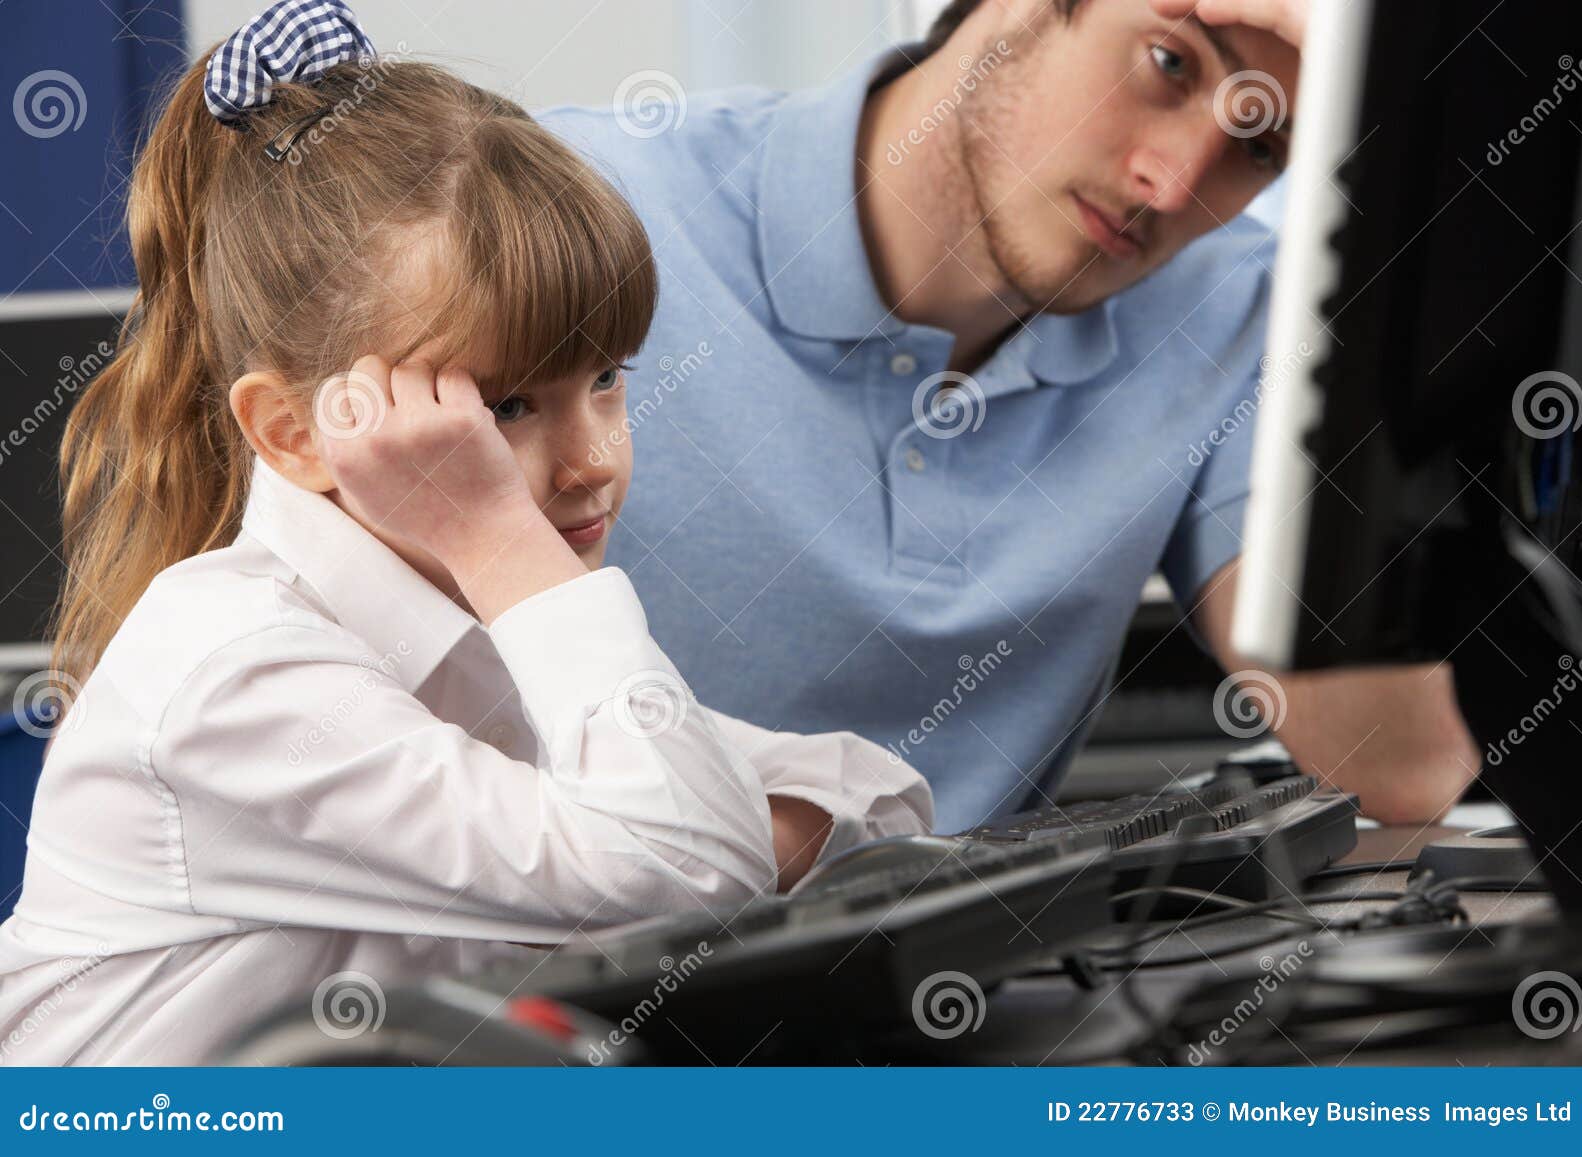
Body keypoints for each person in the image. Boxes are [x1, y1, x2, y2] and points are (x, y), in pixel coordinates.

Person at [0, 1, 930, 1066]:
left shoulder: (461, 620)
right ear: (296, 432)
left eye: (606, 379)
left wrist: (669, 855)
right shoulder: (238, 671)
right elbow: (693, 859)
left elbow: (870, 789)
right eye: (504, 408)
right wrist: (501, 541)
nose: (593, 459)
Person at [540, 0, 1480, 831]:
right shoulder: (579, 207)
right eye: (1170, 64)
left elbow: (1403, 767)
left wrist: (1401, 172)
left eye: (1261, 146)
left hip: (952, 1008)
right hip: (533, 1000)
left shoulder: (1232, 313)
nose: (1173, 181)